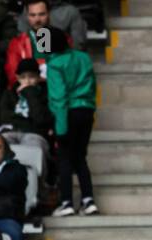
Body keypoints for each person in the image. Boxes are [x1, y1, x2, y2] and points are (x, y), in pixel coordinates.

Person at [46, 28, 97, 217]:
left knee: (64, 158)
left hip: (68, 113)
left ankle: (66, 202)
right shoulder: (83, 58)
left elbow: (59, 98)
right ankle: (88, 200)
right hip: (87, 110)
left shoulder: (55, 64)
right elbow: (93, 85)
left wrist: (60, 128)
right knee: (80, 157)